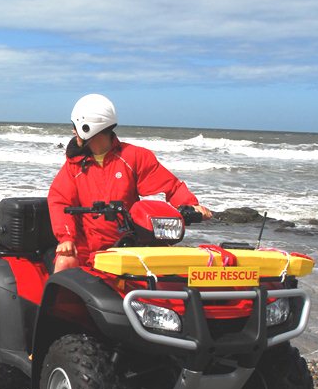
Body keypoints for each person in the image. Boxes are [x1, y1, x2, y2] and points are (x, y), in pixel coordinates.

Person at [48, 94, 212, 272]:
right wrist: (66, 237)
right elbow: (60, 200)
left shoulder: (134, 157)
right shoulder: (75, 165)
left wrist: (190, 205)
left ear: (87, 127)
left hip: (130, 242)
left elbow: (171, 186)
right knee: (65, 262)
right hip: (88, 245)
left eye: (75, 126)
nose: (73, 131)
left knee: (172, 271)